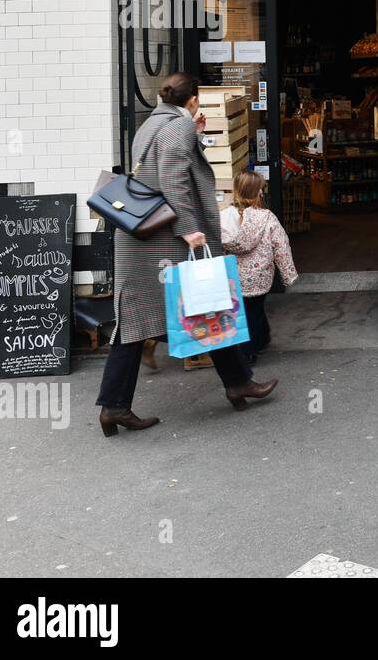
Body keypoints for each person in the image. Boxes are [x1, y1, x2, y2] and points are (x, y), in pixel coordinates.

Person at [97, 72, 278, 437]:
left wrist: (191, 133)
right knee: (203, 306)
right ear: (193, 100)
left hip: (140, 240)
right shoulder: (177, 129)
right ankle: (116, 405)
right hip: (164, 241)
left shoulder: (154, 123)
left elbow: (162, 168)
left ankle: (236, 382)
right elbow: (174, 180)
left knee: (182, 312)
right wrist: (189, 229)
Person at [221, 171, 299, 365]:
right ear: (258, 193)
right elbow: (281, 246)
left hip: (232, 274)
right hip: (259, 275)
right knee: (254, 310)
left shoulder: (223, 216)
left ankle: (262, 338)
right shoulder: (266, 217)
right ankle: (249, 351)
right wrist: (288, 275)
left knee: (244, 310)